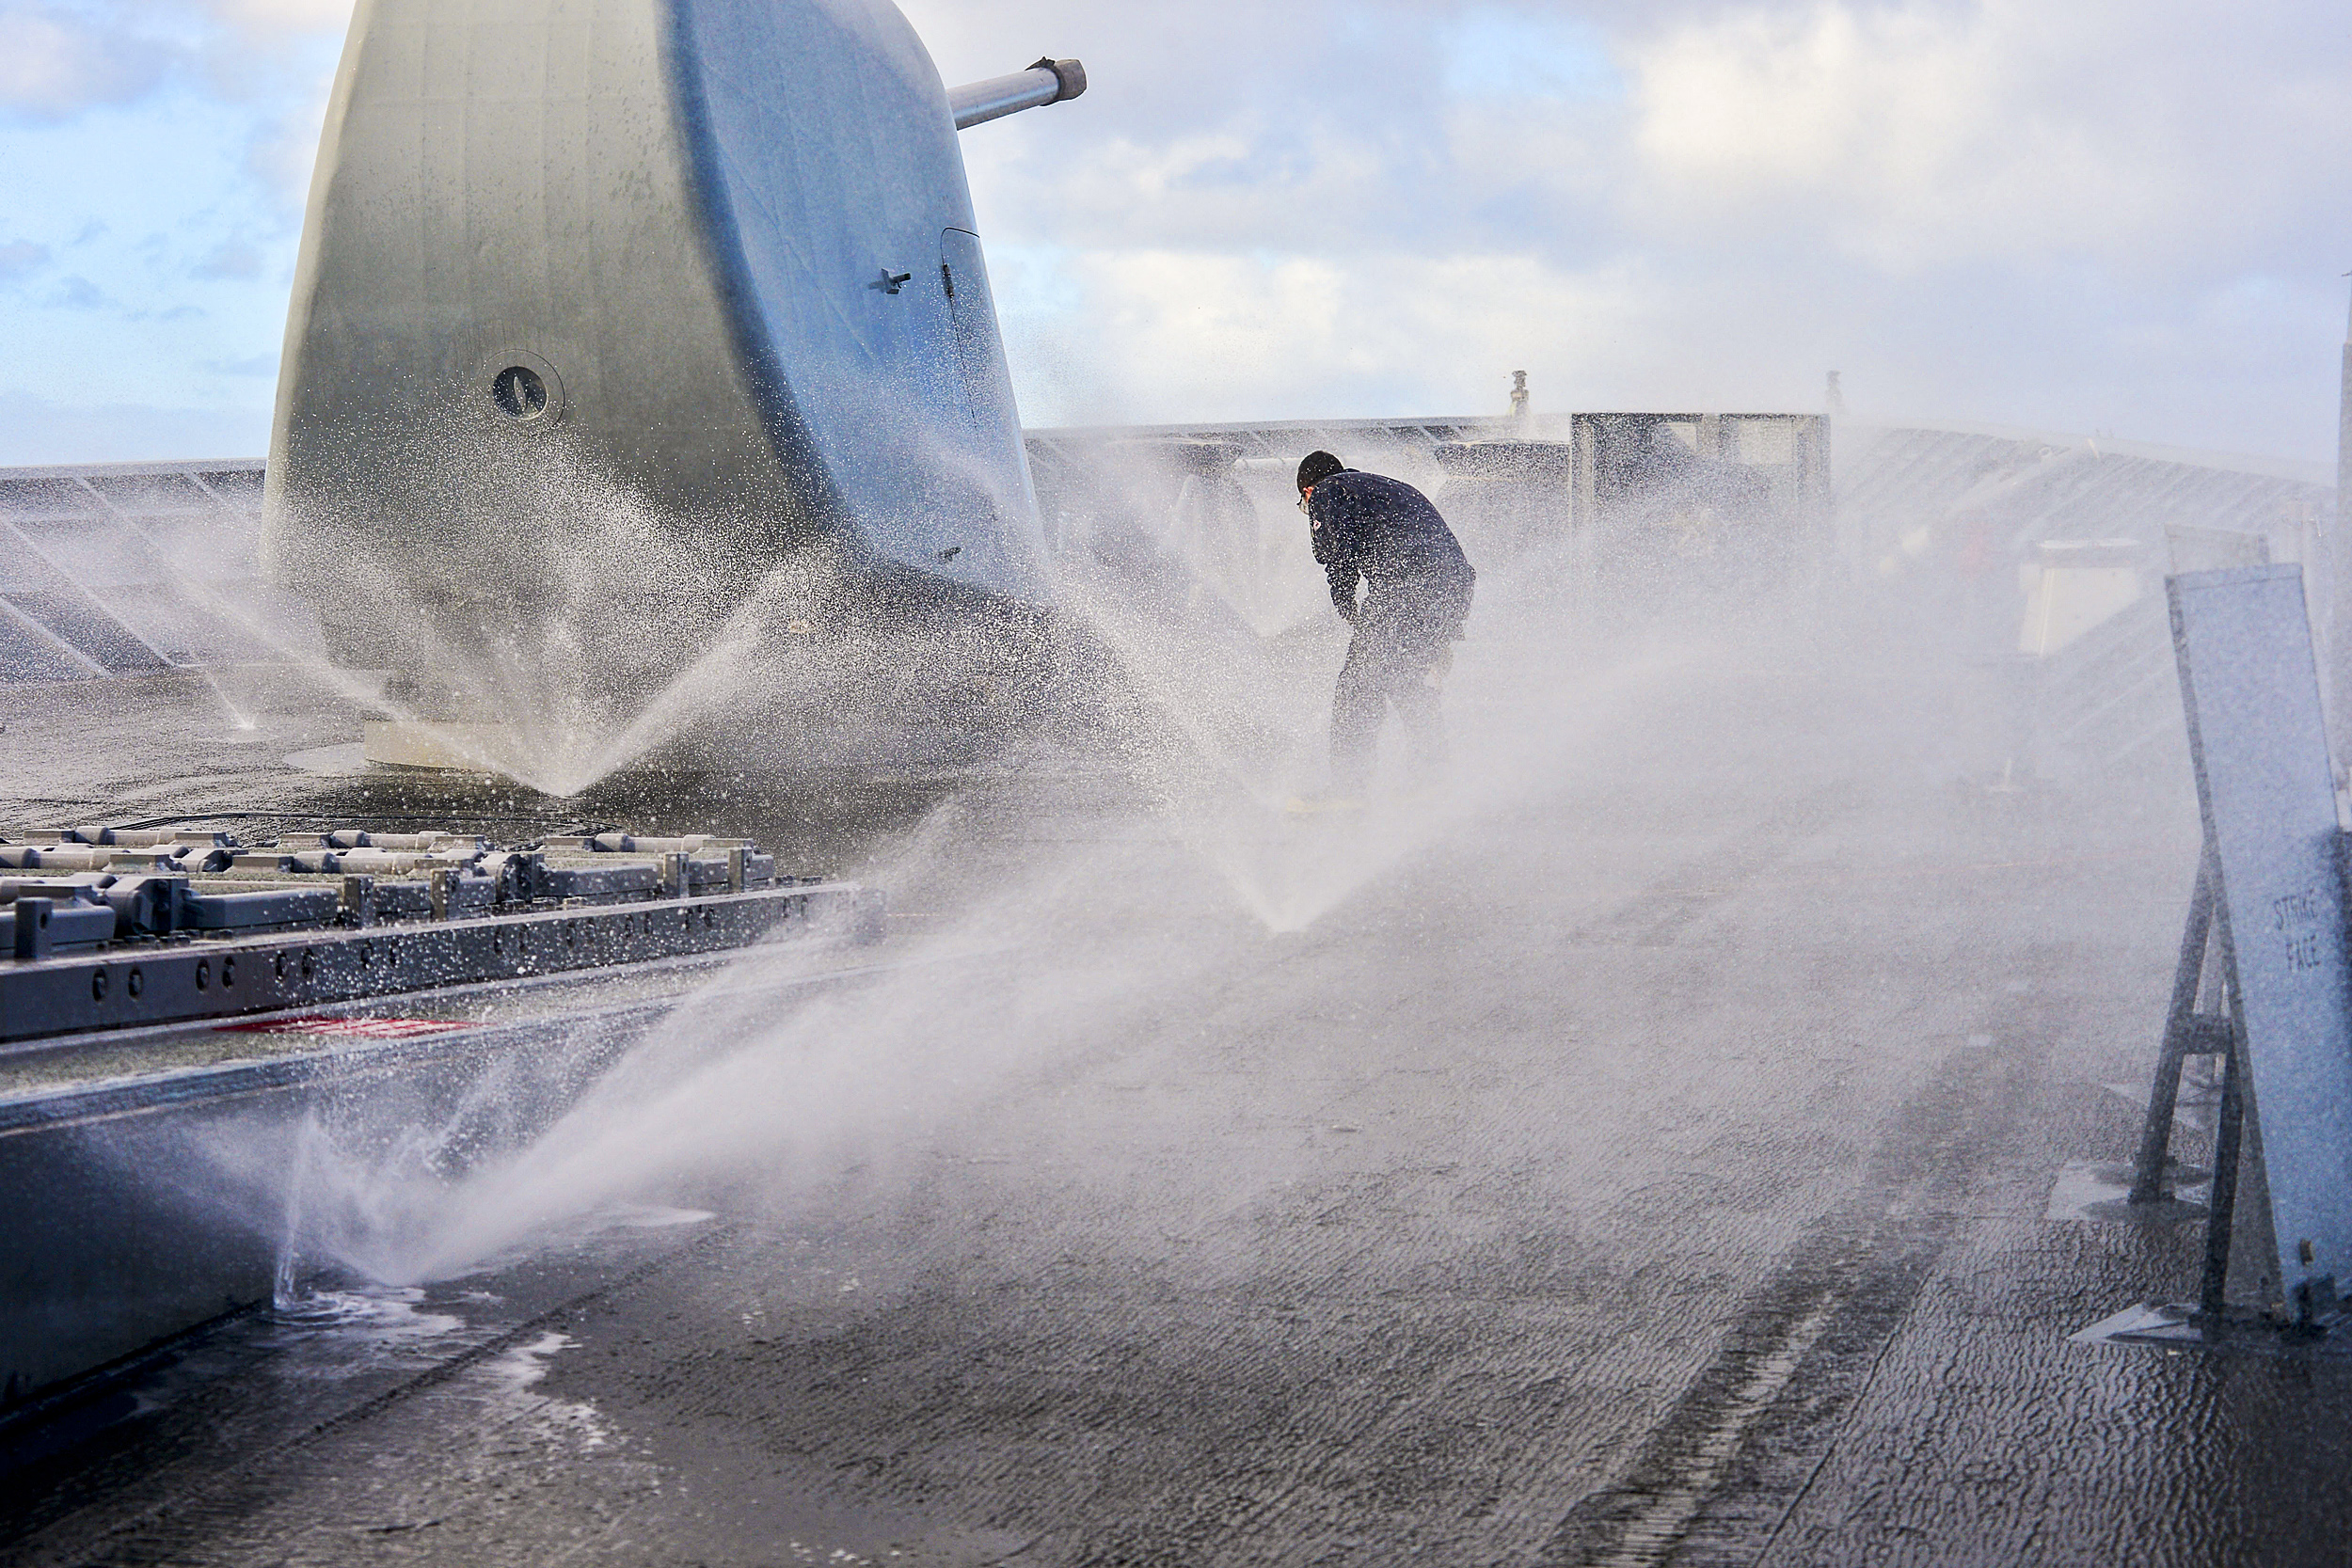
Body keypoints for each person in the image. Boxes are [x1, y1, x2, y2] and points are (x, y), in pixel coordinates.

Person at [1295, 450, 1475, 800]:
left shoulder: (1328, 490)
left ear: (1307, 490)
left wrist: (1346, 604)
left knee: (1356, 688)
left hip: (1408, 587)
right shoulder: (1381, 487)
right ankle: (1432, 777)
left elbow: (1338, 552)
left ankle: (1348, 789)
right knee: (1402, 679)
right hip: (1452, 589)